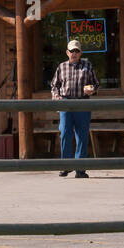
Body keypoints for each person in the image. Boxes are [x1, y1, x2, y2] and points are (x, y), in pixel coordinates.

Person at [49, 39, 97, 178]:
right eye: (72, 51)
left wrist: (92, 89)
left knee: (82, 135)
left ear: (80, 52)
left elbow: (96, 84)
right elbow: (54, 85)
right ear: (67, 52)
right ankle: (65, 166)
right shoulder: (61, 67)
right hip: (65, 103)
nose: (74, 53)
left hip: (83, 102)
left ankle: (80, 169)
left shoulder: (88, 65)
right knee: (65, 133)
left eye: (77, 51)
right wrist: (56, 96)